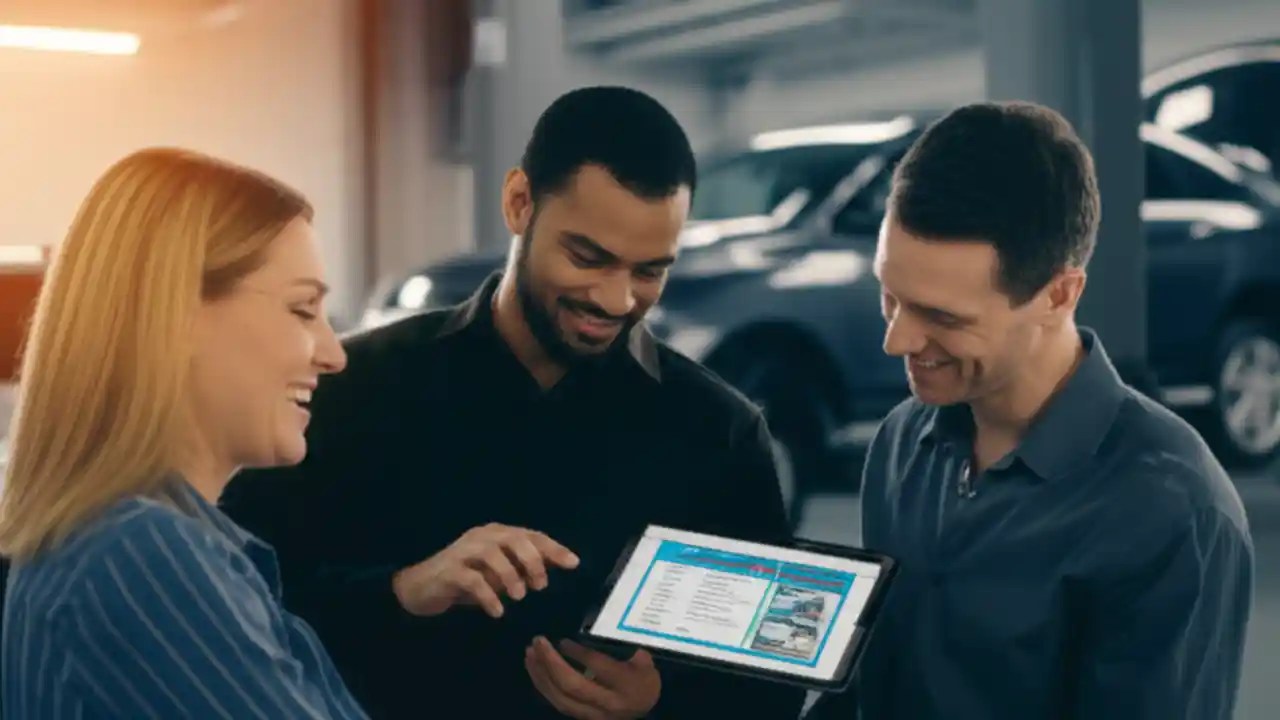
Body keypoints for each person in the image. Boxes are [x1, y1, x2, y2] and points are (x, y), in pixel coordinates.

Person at [220, 86, 807, 719]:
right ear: (519, 203)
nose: (615, 300)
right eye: (588, 258)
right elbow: (235, 610)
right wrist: (401, 591)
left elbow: (770, 688)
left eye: (649, 272)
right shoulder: (344, 388)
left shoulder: (719, 433)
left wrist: (660, 704)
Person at [807, 101, 1254, 720]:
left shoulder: (1171, 510)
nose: (898, 341)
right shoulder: (903, 440)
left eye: (942, 317)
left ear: (1058, 294)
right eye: (891, 295)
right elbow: (873, 681)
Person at [0, 148, 365, 718]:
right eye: (302, 310)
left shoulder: (125, 543)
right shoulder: (140, 555)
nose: (334, 354)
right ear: (175, 313)